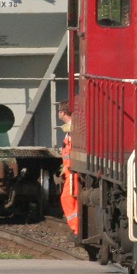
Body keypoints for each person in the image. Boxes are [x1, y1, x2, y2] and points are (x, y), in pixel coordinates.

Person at [58, 101, 79, 236]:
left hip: (72, 172)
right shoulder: (70, 129)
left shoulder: (72, 129)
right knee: (70, 199)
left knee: (68, 199)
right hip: (69, 171)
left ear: (62, 113)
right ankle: (76, 228)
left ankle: (76, 229)